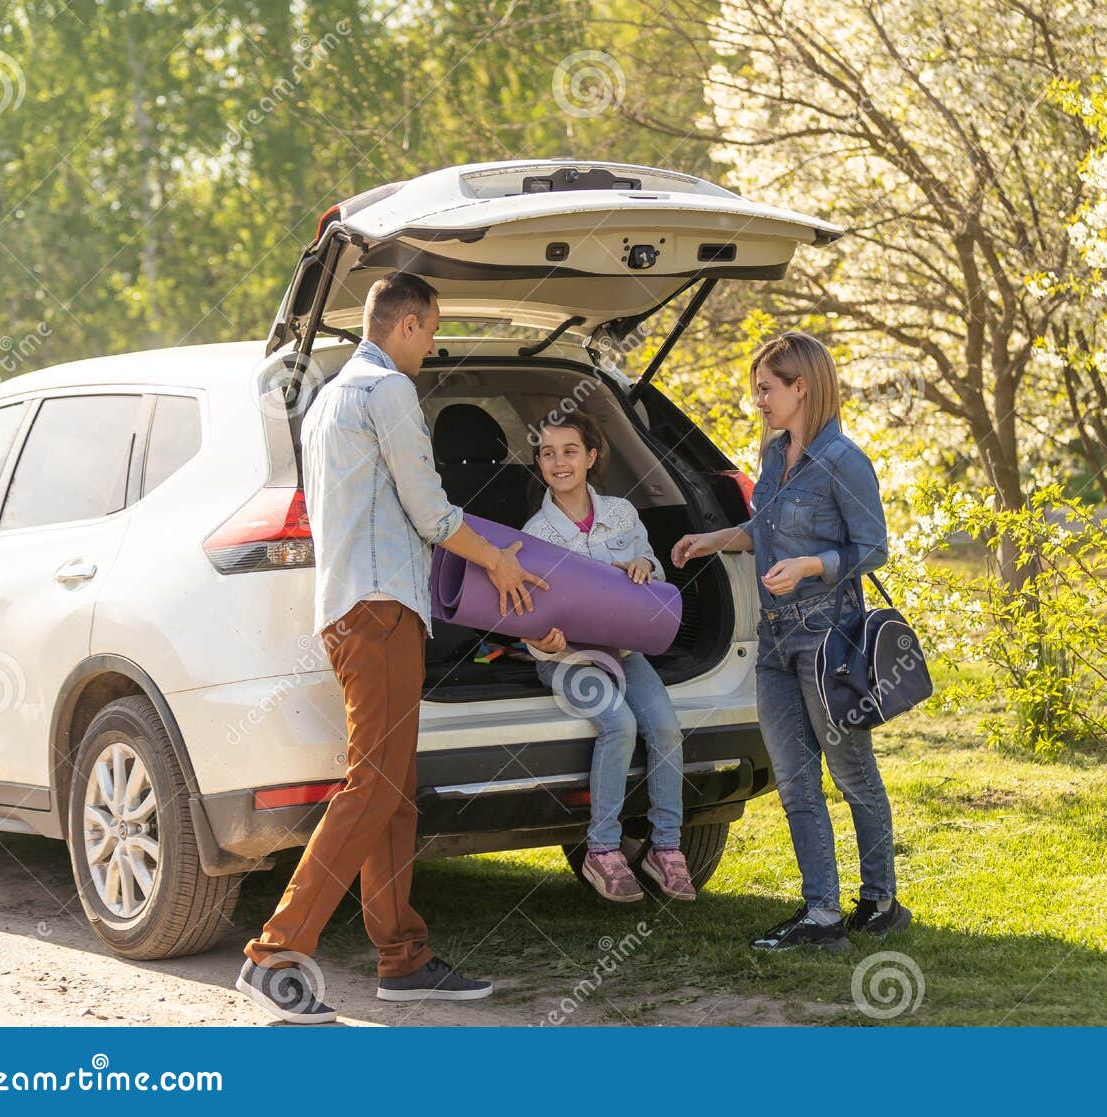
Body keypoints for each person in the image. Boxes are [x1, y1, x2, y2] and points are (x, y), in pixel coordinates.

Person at [237, 271, 550, 1023]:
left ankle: (402, 957)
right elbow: (432, 510)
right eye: (432, 329)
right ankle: (274, 954)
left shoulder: (326, 400)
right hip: (378, 609)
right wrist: (497, 560)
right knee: (373, 785)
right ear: (406, 324)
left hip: (354, 606)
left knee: (392, 789)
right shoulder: (388, 392)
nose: (433, 344)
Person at [672, 331, 910, 951]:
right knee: (796, 779)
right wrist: (711, 541)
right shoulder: (774, 454)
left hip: (829, 640)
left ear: (800, 386)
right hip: (774, 640)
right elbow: (763, 527)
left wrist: (810, 566)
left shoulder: (845, 461)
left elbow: (874, 547)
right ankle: (822, 915)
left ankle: (880, 902)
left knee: (853, 773)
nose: (758, 400)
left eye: (766, 388)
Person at [520, 411, 695, 903]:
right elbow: (527, 615)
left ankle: (665, 849)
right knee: (619, 723)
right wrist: (544, 645)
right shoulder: (536, 533)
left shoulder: (621, 513)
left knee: (665, 728)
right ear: (538, 462)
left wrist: (646, 564)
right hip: (568, 660)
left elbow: (654, 571)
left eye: (570, 451)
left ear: (591, 457)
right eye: (548, 453)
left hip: (625, 652)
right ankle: (602, 851)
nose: (559, 462)